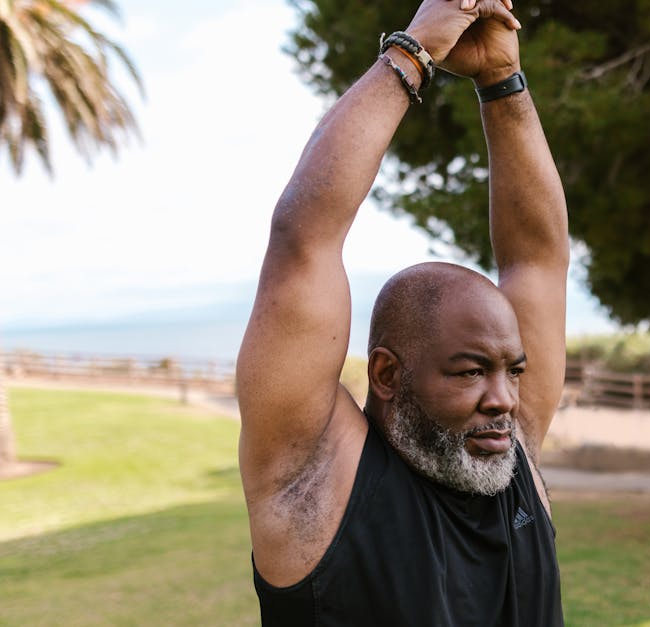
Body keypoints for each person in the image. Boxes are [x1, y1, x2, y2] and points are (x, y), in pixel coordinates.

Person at [235, 0, 568, 624]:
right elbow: (304, 241)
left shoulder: (508, 446)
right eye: (470, 372)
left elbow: (538, 262)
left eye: (513, 371)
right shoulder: (314, 479)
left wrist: (503, 78)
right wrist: (412, 51)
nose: (505, 398)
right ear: (386, 375)